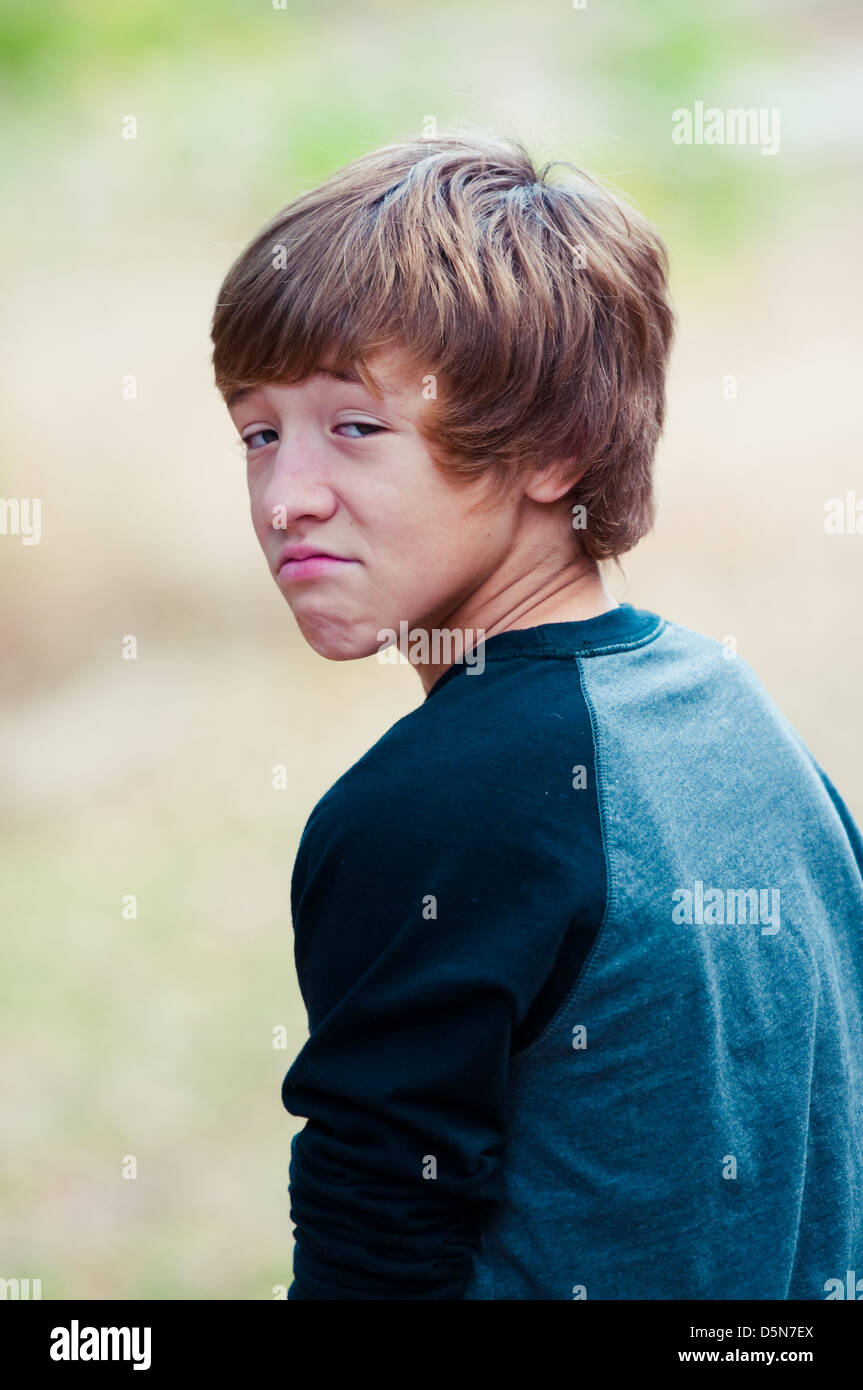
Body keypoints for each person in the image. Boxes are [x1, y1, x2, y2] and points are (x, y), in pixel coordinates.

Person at [210, 130, 863, 1299]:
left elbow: (372, 1264)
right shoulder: (731, 707)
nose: (283, 498)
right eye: (260, 432)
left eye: (354, 426)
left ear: (554, 449)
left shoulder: (439, 806)